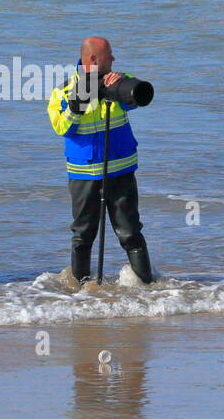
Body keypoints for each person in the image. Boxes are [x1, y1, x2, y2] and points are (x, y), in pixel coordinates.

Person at [47, 37, 154, 284]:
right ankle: (82, 293)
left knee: (130, 232)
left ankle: (148, 289)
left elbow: (135, 101)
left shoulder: (118, 79)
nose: (114, 59)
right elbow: (62, 128)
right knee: (83, 235)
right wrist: (78, 104)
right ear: (94, 59)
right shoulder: (63, 91)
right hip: (84, 173)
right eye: (109, 55)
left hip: (121, 170)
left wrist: (121, 89)